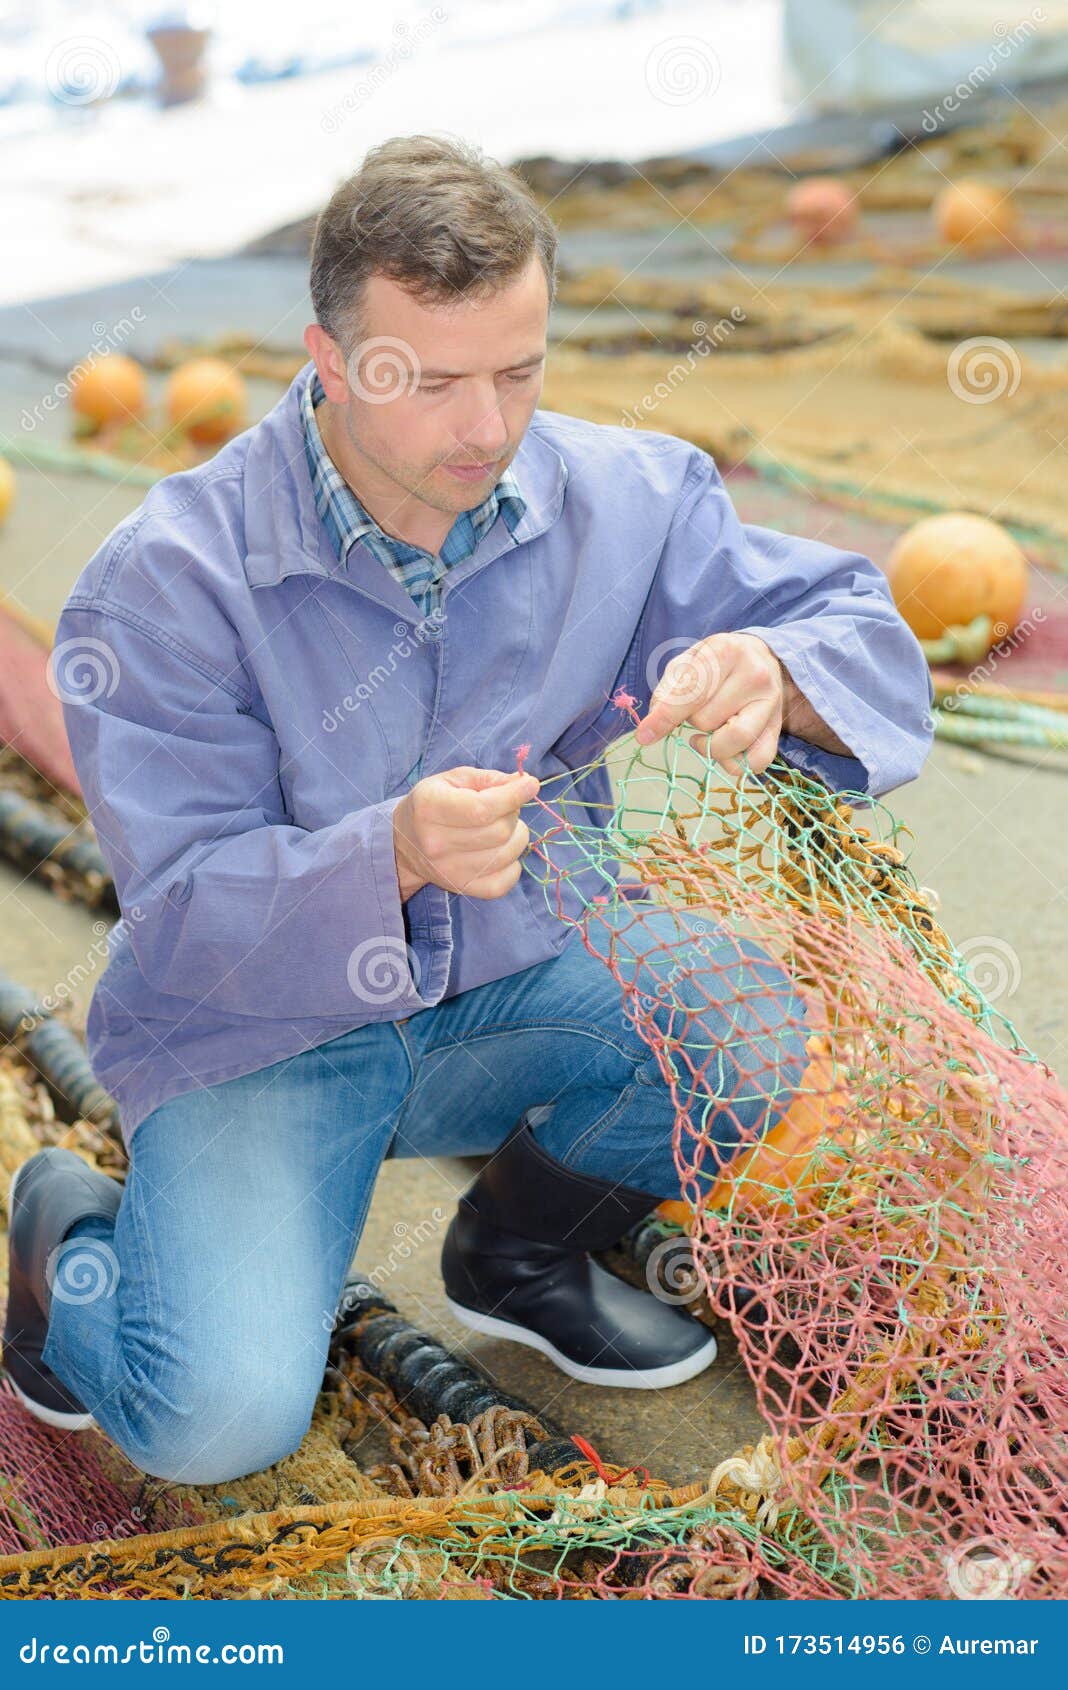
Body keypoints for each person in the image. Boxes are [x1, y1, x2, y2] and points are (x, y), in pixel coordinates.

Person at [3, 135, 932, 1485]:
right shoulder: (161, 583)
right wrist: (386, 852)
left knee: (746, 1024)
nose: (488, 429)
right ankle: (67, 1240)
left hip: (516, 973)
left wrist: (780, 671)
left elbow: (857, 622)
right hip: (256, 1034)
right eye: (432, 382)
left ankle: (514, 1248)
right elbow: (186, 915)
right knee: (214, 1423)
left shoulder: (629, 498)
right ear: (329, 361)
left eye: (518, 371)